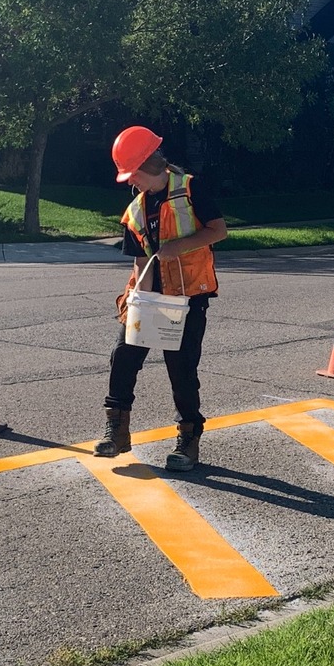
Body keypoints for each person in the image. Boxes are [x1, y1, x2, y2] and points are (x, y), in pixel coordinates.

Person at [96, 127, 228, 473]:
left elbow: (219, 230)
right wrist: (141, 303)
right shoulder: (136, 210)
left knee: (181, 368)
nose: (130, 183)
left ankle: (188, 439)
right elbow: (141, 261)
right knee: (123, 355)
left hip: (188, 298)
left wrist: (177, 248)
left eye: (131, 176)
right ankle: (117, 431)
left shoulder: (191, 188)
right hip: (152, 295)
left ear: (144, 168)